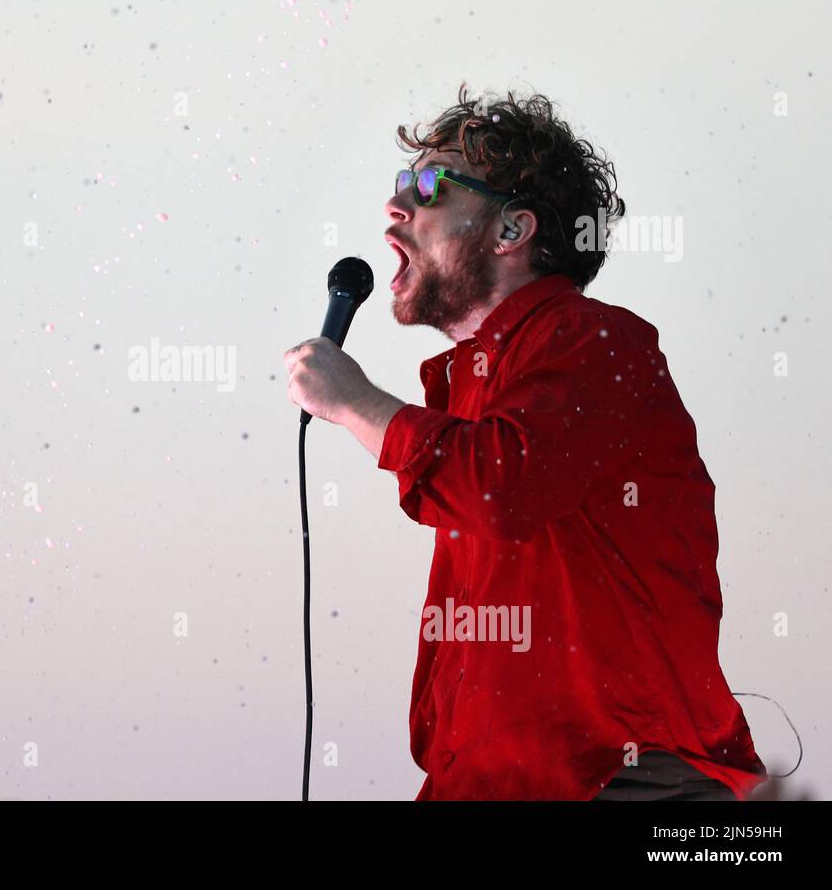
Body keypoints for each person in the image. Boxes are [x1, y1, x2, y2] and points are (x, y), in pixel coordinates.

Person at [283, 84, 767, 800]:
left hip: (618, 781)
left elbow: (499, 487)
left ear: (512, 232)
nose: (396, 205)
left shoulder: (597, 342)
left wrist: (355, 403)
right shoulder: (473, 388)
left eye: (429, 184)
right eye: (399, 185)